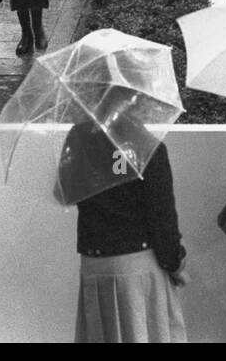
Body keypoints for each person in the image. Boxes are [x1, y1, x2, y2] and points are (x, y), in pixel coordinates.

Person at [67, 119, 187, 343]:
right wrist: (176, 263)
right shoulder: (149, 147)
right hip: (138, 269)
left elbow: (63, 193)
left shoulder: (78, 137)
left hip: (95, 264)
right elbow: (163, 219)